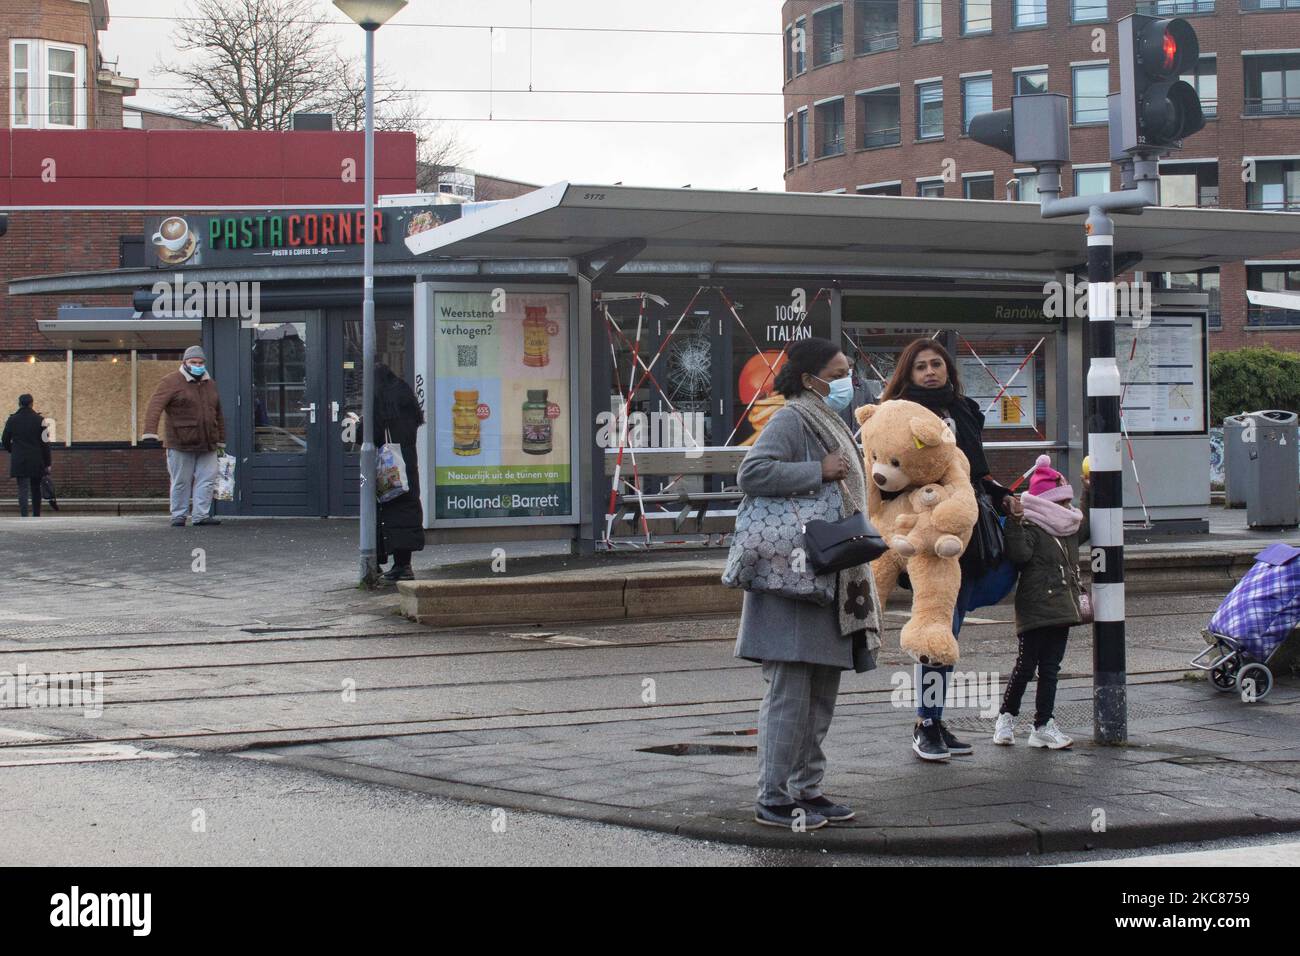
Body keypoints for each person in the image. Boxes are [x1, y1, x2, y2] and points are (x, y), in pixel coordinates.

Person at [734, 337, 882, 830]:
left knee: (819, 692)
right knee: (791, 693)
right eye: (838, 372)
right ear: (808, 378)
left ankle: (807, 789)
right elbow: (752, 472)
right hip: (793, 578)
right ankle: (773, 796)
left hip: (826, 578)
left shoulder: (828, 417)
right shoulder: (793, 417)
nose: (847, 380)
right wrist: (817, 470)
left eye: (848, 371)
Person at [877, 338, 1020, 762]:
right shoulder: (898, 414)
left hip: (968, 529)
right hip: (926, 535)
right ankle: (926, 723)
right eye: (920, 367)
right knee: (939, 627)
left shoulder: (964, 410)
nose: (929, 372)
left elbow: (978, 472)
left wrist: (1005, 494)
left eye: (936, 364)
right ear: (908, 374)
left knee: (950, 628)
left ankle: (935, 719)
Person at [994, 456, 1090, 750]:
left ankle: (1042, 725)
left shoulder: (1068, 531)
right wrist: (1013, 521)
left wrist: (1091, 490)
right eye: (1062, 503)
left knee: (1050, 668)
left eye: (1068, 502)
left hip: (1061, 608)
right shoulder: (1031, 528)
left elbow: (1085, 522)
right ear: (1048, 503)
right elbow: (1020, 555)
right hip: (1036, 609)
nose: (1067, 509)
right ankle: (1005, 719)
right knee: (1026, 666)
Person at [142, 345, 227, 527]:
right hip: (180, 442)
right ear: (185, 363)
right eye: (193, 362)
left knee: (207, 481)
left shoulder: (210, 384)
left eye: (201, 362)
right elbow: (154, 406)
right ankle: (179, 515)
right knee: (181, 481)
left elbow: (218, 413)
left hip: (208, 442)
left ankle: (201, 516)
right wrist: (150, 432)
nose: (198, 365)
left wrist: (221, 439)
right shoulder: (171, 381)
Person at [373, 363, 425, 581]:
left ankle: (393, 565)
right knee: (406, 510)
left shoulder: (382, 404)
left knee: (389, 511)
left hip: (389, 467)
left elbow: (372, 435)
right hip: (408, 465)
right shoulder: (404, 398)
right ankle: (404, 564)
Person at [2, 394, 51, 518]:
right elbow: (45, 443)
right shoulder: (40, 420)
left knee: (22, 488)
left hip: (20, 459)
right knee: (36, 488)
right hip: (36, 458)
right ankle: (36, 515)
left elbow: (5, 440)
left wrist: (13, 451)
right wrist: (48, 463)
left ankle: (24, 515)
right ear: (31, 403)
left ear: (19, 403)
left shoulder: (12, 420)